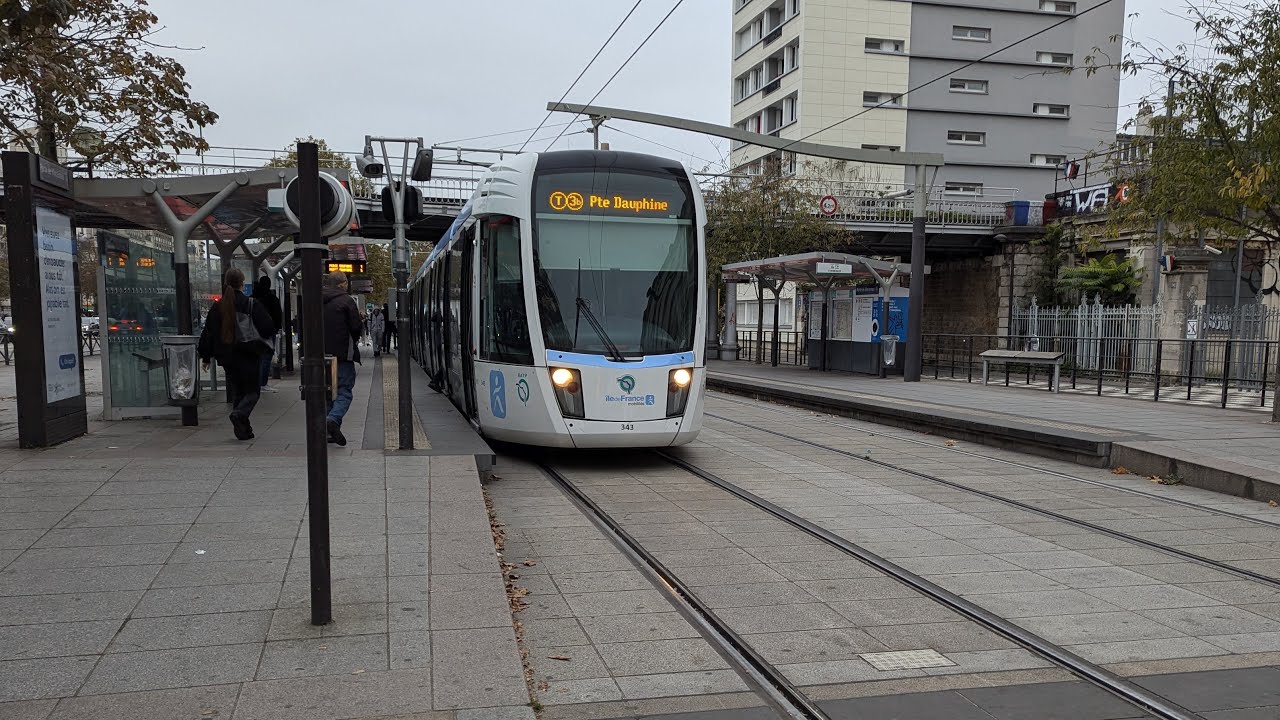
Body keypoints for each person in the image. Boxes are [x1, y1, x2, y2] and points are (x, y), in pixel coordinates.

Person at [197, 268, 274, 440]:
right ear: (242, 282)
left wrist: (206, 356)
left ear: (226, 283)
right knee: (253, 391)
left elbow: (208, 332)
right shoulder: (250, 304)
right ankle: (239, 414)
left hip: (227, 357)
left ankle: (243, 430)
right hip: (248, 354)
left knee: (239, 391)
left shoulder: (218, 306)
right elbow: (267, 327)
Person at [323, 272, 362, 446]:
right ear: (342, 284)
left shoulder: (316, 299)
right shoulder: (347, 301)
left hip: (320, 356)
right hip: (343, 356)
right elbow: (355, 328)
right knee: (344, 391)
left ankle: (328, 429)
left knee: (326, 392)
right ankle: (333, 418)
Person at [254, 275, 283, 393]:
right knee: (266, 357)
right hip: (269, 332)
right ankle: (263, 383)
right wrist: (276, 329)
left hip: (254, 333)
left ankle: (256, 382)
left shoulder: (252, 297)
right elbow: (278, 315)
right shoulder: (272, 298)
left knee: (256, 358)